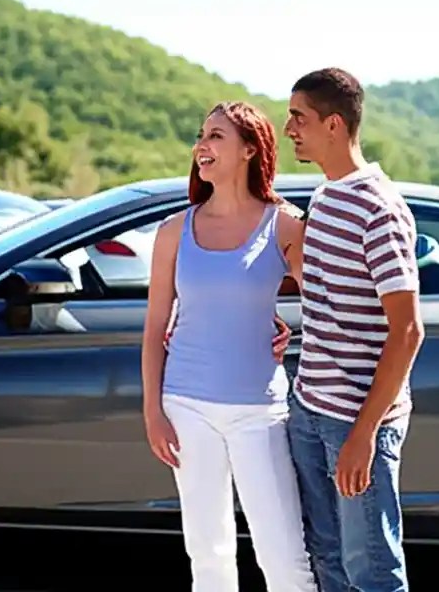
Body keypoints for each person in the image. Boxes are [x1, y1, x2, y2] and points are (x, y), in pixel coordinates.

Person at [142, 101, 317, 592]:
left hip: (258, 411)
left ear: (249, 150)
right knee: (208, 552)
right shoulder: (174, 231)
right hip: (185, 405)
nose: (202, 146)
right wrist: (152, 410)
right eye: (202, 135)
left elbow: (327, 307)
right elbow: (156, 325)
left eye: (216, 136)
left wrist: (290, 332)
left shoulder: (284, 225)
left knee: (283, 554)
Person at [280, 67, 425, 592]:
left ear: (334, 124)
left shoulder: (379, 209)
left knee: (373, 570)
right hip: (310, 408)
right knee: (328, 557)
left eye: (299, 117)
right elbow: (322, 292)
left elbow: (408, 331)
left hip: (356, 423)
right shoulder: (325, 199)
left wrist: (364, 434)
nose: (289, 127)